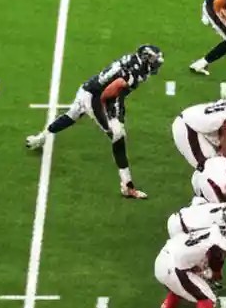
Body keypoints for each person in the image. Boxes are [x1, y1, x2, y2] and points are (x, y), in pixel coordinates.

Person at [25, 45, 163, 198]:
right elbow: (108, 92)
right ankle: (127, 186)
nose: (156, 64)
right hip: (96, 97)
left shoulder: (131, 61)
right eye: (153, 60)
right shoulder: (134, 73)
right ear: (144, 59)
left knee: (72, 115)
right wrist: (109, 114)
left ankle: (41, 137)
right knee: (117, 135)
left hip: (89, 87)